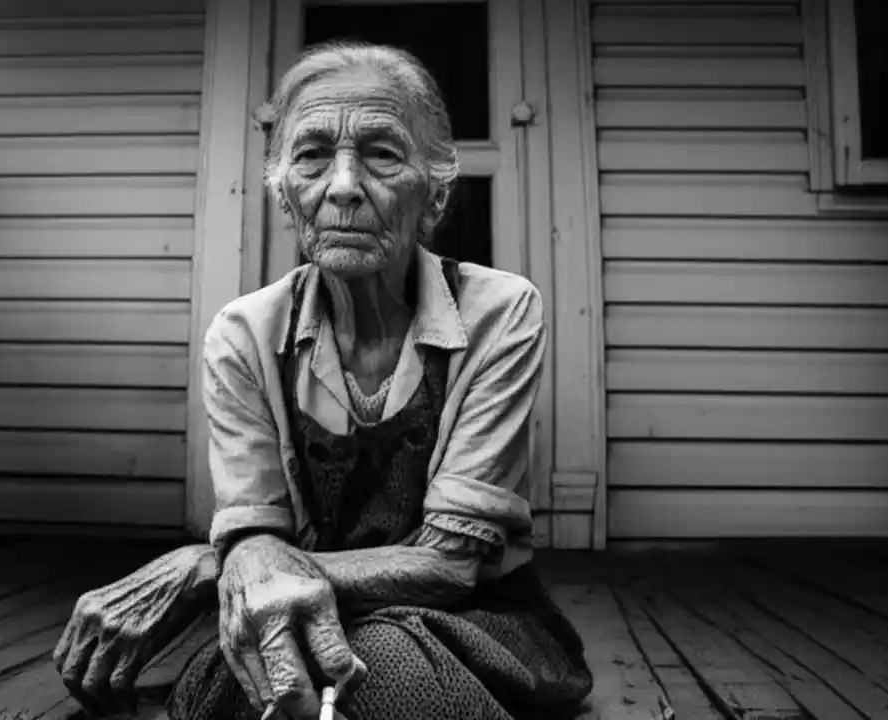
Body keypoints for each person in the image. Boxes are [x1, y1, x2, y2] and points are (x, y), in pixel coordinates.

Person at [53, 40, 593, 720]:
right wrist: (248, 560)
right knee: (221, 690)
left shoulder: (499, 311)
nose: (342, 186)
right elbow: (255, 535)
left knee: (387, 674)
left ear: (435, 195)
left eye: (382, 154)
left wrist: (208, 569)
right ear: (286, 197)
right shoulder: (246, 334)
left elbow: (450, 566)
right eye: (311, 157)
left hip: (475, 618)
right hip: (300, 614)